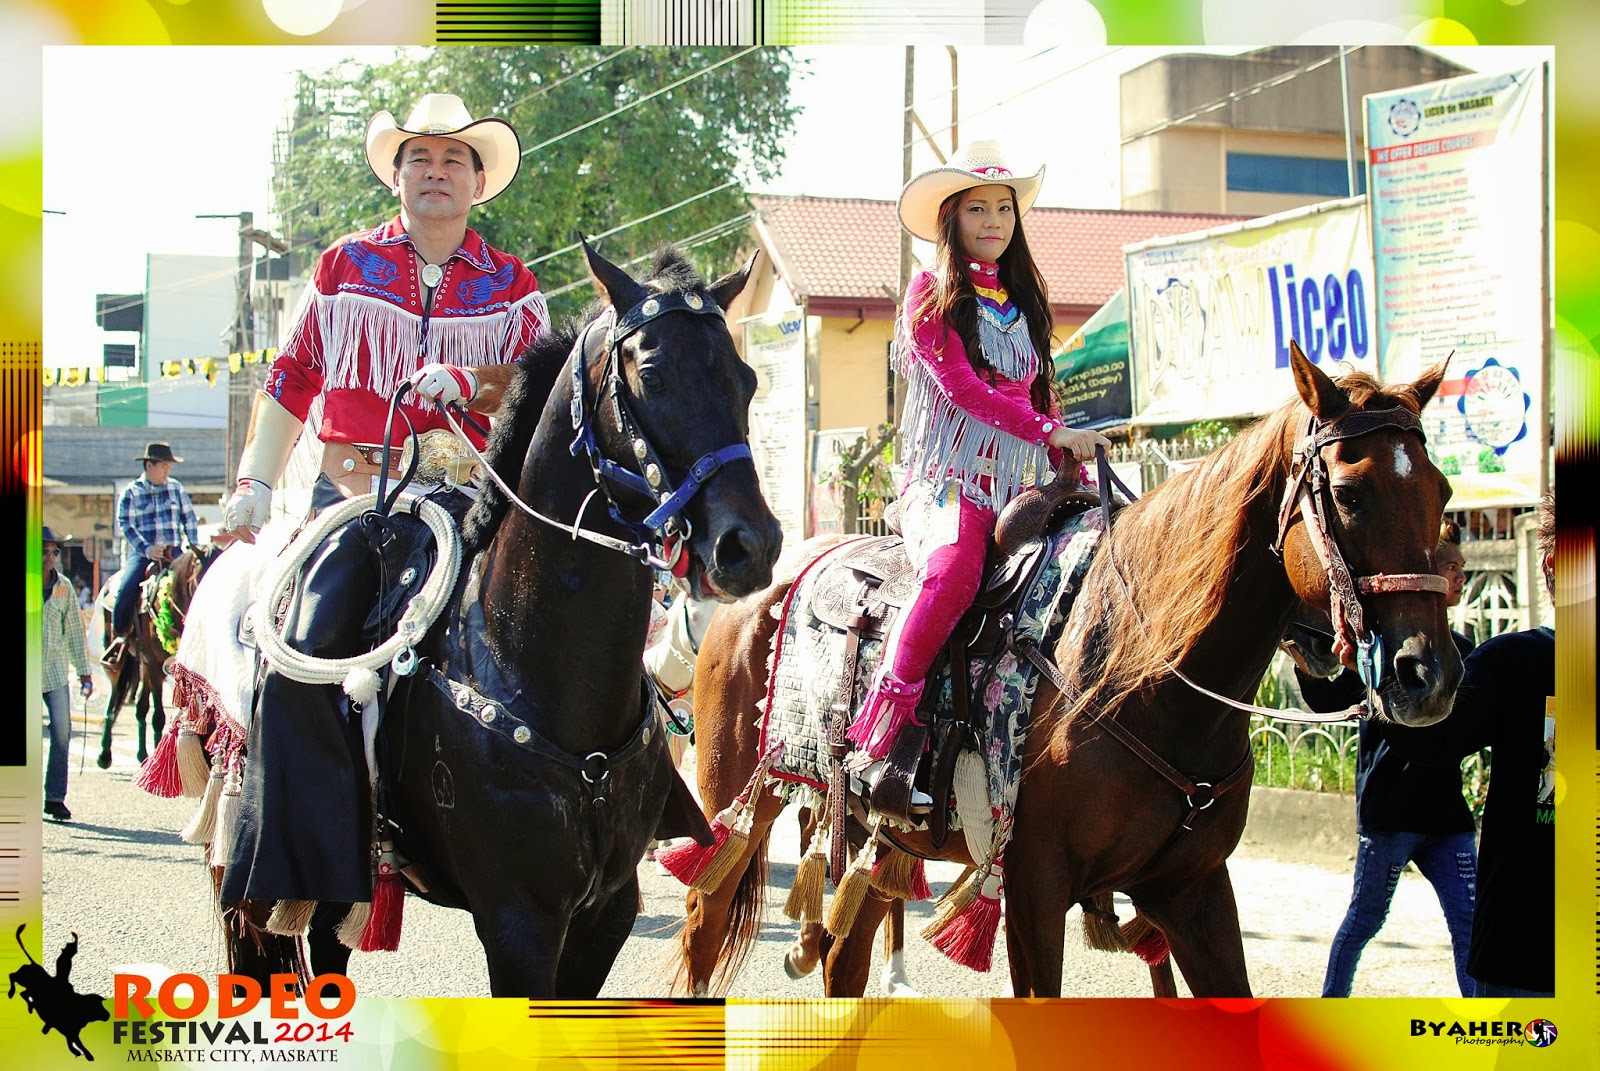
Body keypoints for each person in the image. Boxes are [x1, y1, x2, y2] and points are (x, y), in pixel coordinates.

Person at [213, 92, 549, 915]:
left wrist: (472, 381)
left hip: (472, 499)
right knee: (301, 657)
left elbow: (544, 379)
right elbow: (290, 378)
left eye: (453, 162)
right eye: (420, 160)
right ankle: (303, 871)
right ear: (397, 176)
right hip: (360, 498)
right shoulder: (342, 267)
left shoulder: (512, 283)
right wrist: (255, 481)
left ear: (478, 182)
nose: (436, 173)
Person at [844, 141, 1109, 811]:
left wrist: (1066, 457)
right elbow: (961, 390)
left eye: (1004, 208)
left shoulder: (1024, 296)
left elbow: (1037, 390)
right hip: (947, 479)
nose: (994, 221)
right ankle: (884, 730)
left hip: (1015, 480)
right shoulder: (926, 293)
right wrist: (1049, 432)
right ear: (951, 218)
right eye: (978, 209)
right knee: (958, 566)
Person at [1376, 490, 1556, 998]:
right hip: (1528, 958)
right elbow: (1433, 739)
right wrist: (1377, 673)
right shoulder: (1517, 664)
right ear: (1553, 566)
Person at [1302, 521, 1478, 997]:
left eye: (1461, 569)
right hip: (1391, 816)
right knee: (1364, 922)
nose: (1458, 578)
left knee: (1469, 925)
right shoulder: (1382, 652)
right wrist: (1311, 663)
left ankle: (1488, 1030)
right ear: (1425, 575)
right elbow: (1327, 699)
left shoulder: (1463, 655)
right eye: (1450, 568)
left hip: (1449, 820)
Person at [109, 442, 199, 653]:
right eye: (164, 467)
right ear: (149, 465)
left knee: (195, 584)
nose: (168, 471)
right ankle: (120, 635)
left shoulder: (176, 488)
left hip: (174, 552)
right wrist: (147, 548)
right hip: (143, 553)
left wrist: (193, 550)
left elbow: (190, 520)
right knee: (127, 586)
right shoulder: (131, 492)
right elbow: (125, 524)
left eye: (169, 467)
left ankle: (197, 633)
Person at [41, 527, 94, 821]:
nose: (50, 556)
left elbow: (74, 632)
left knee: (62, 732)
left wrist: (85, 673)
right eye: (44, 551)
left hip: (56, 672)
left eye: (55, 552)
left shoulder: (64, 588)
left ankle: (54, 797)